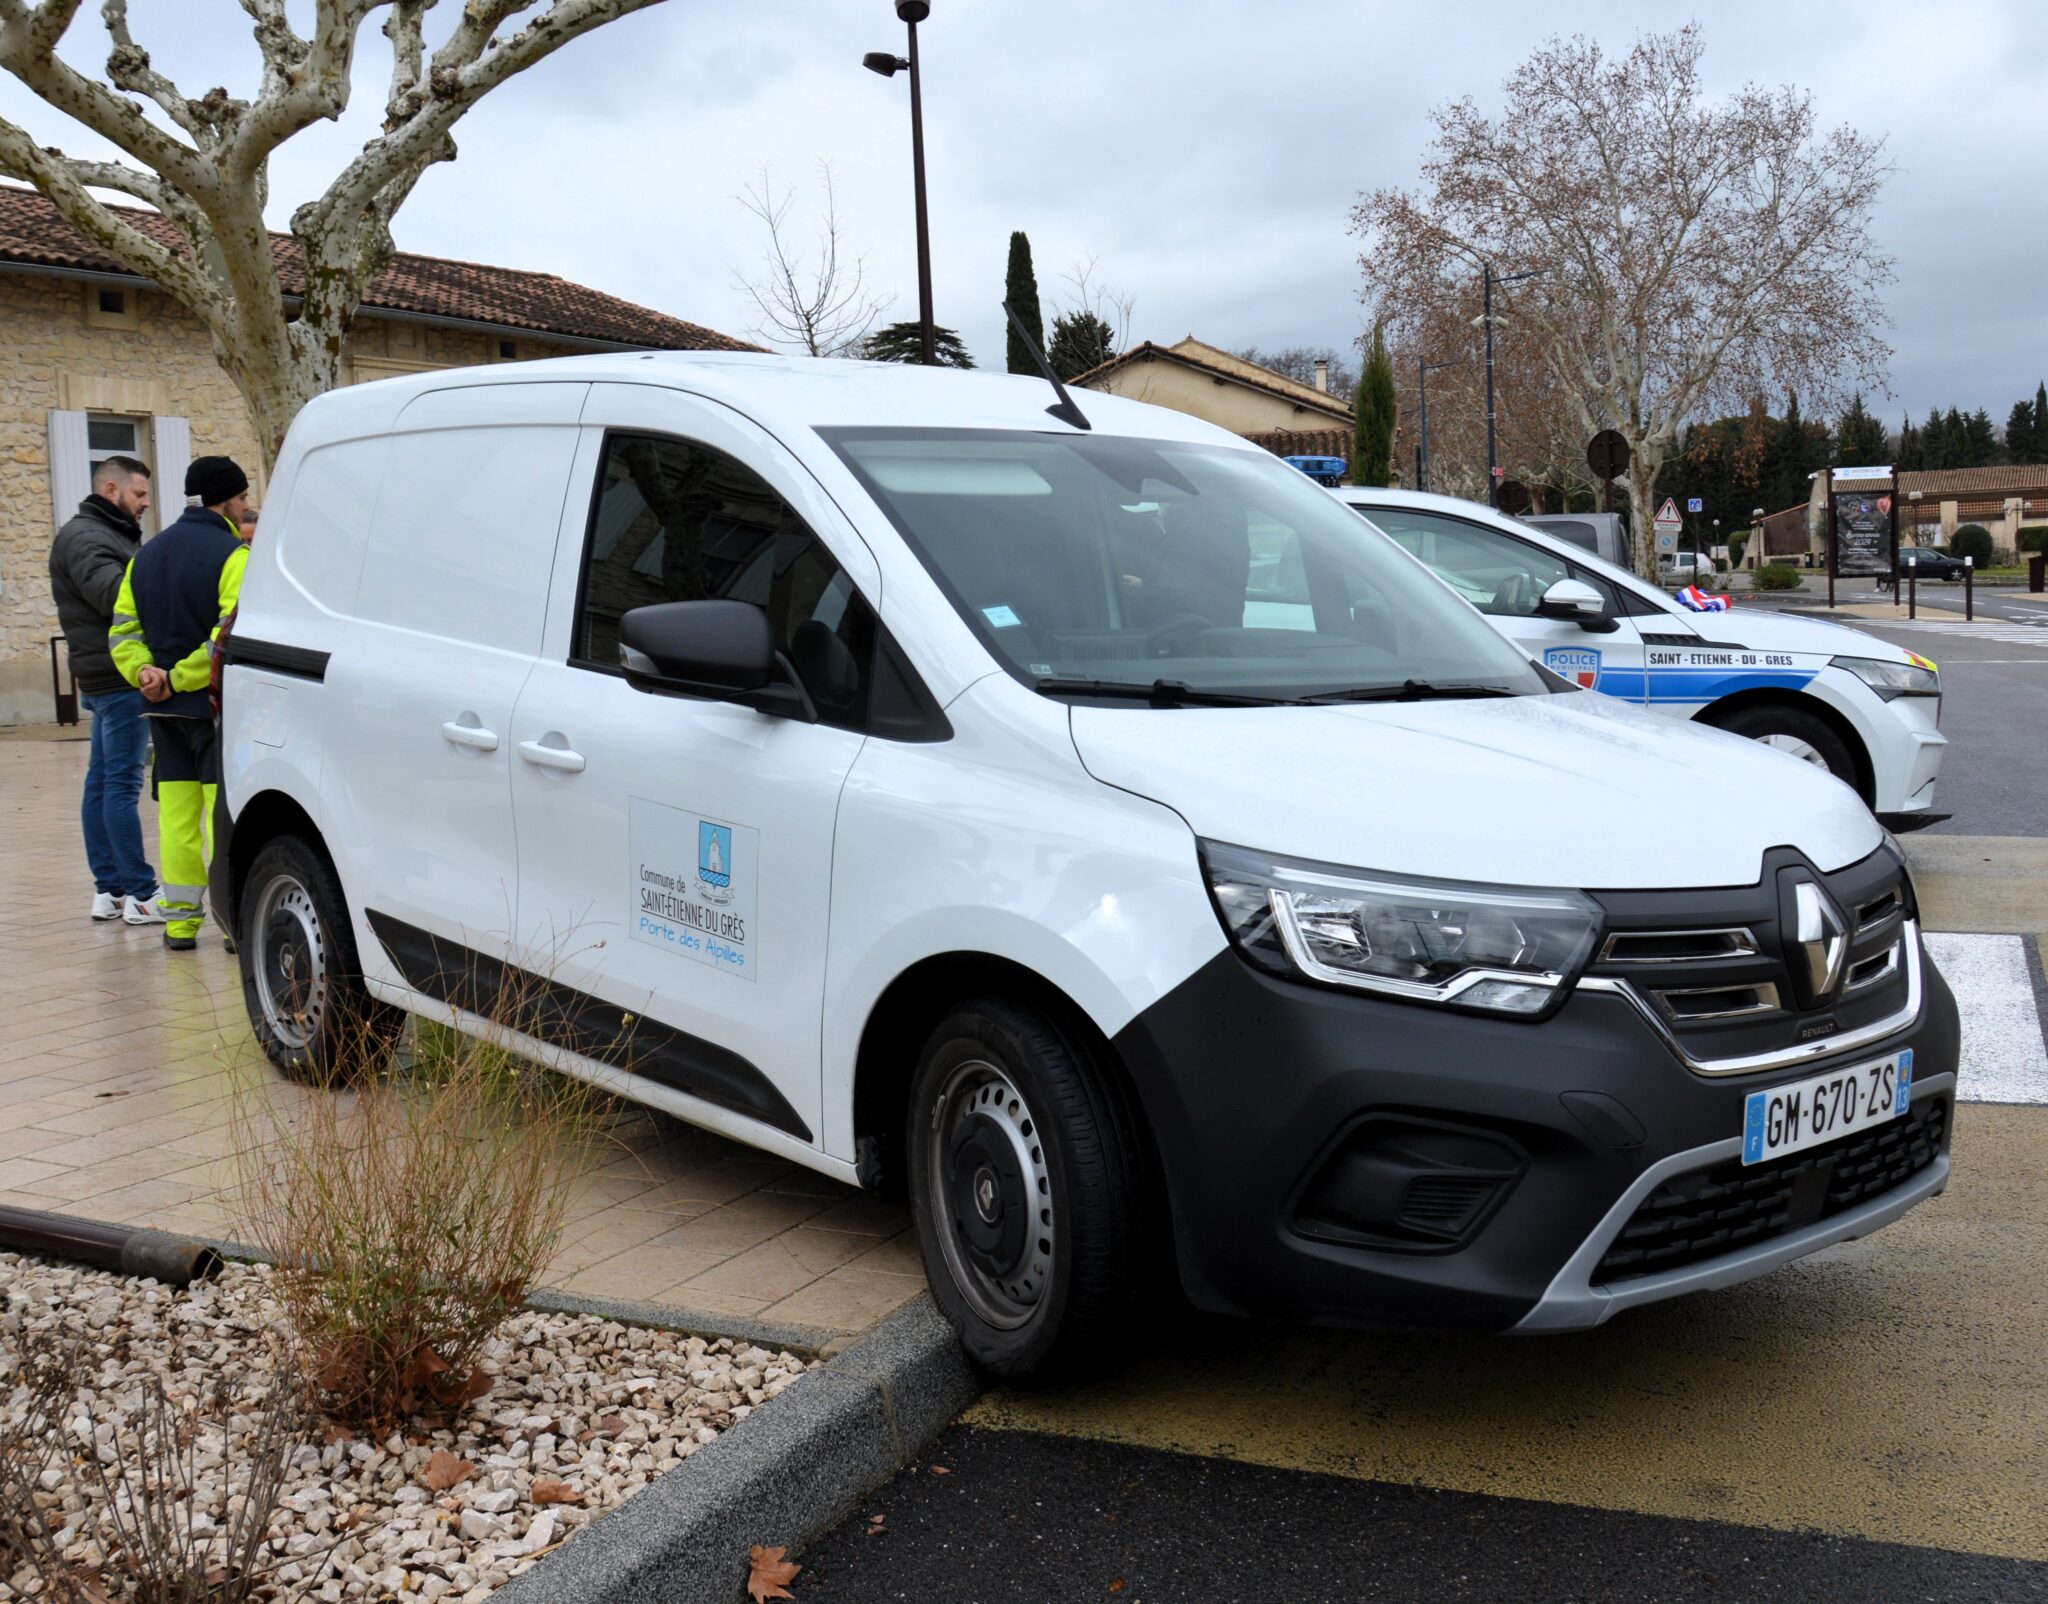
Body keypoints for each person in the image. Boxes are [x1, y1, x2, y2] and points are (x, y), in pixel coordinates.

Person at [110, 456, 253, 952]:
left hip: (162, 713)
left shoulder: (144, 556)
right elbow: (227, 638)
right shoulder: (234, 556)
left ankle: (180, 924)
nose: (245, 505)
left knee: (175, 819)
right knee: (221, 819)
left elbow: (122, 631)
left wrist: (144, 674)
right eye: (242, 496)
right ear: (225, 499)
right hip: (212, 712)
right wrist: (176, 679)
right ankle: (232, 923)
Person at [48, 455, 172, 925]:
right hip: (120, 676)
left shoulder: (98, 533)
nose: (146, 503)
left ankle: (110, 891)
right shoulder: (89, 536)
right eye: (139, 493)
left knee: (102, 781)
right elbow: (114, 595)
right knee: (121, 783)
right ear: (111, 490)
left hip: (105, 674)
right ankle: (141, 893)